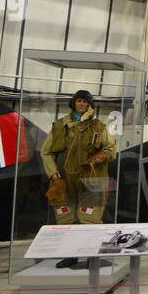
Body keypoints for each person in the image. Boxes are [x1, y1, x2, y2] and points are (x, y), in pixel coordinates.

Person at [40, 89, 116, 226]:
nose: (81, 104)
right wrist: (53, 173)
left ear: (89, 105)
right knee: (65, 220)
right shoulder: (59, 126)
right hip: (63, 180)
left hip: (92, 180)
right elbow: (46, 152)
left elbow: (111, 148)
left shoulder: (99, 126)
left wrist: (101, 156)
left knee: (90, 220)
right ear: (73, 103)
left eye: (85, 101)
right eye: (79, 101)